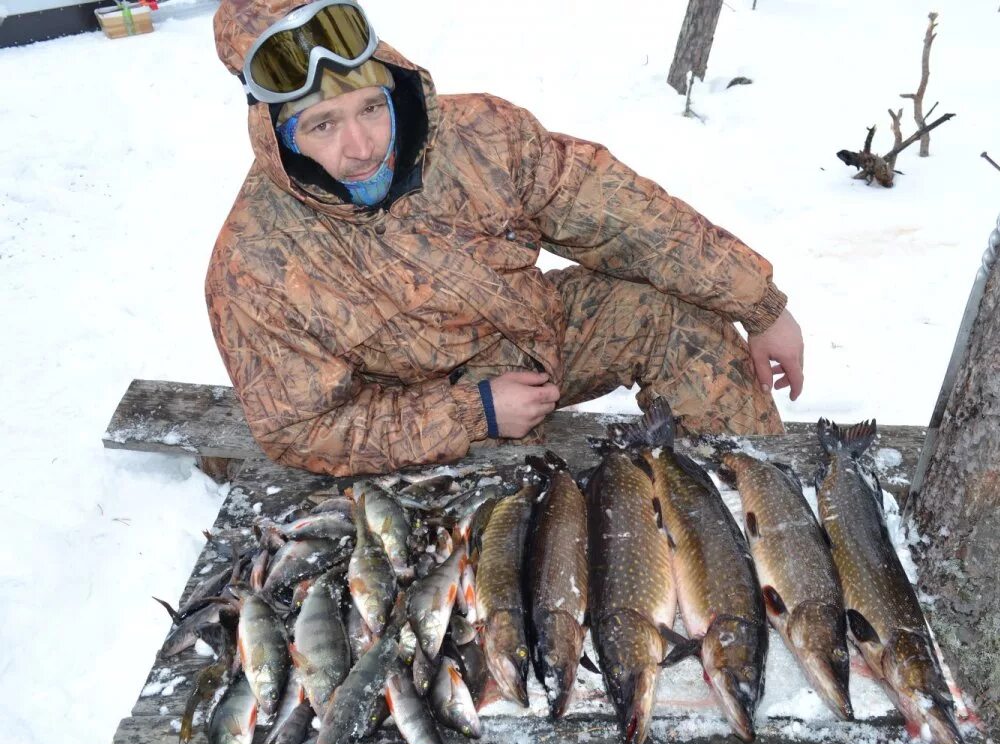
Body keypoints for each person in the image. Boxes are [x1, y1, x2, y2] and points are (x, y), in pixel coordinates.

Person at [206, 0, 804, 478]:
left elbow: (624, 216)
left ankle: (755, 527)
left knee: (681, 319)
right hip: (420, 422)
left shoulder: (482, 135)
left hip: (535, 333)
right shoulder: (254, 264)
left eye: (371, 108)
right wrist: (473, 412)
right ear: (279, 135)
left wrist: (763, 306)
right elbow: (300, 429)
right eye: (323, 125)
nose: (362, 147)